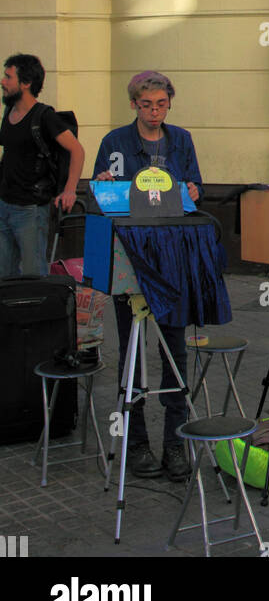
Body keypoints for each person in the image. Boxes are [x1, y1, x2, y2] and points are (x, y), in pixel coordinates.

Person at [93, 70, 202, 480]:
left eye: (161, 103)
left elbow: (195, 185)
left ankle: (176, 443)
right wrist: (100, 184)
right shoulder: (115, 143)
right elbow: (100, 192)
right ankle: (136, 441)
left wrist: (193, 190)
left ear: (169, 102)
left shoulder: (182, 140)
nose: (154, 111)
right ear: (134, 104)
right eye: (146, 104)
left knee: (174, 350)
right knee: (132, 351)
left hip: (172, 253)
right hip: (129, 254)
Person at [0, 54, 84, 279]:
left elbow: (77, 150)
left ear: (25, 83)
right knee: (4, 277)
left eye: (8, 77)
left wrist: (70, 189)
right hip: (4, 204)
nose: (3, 82)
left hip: (30, 210)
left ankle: (37, 315)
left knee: (32, 277)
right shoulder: (9, 112)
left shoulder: (44, 116)